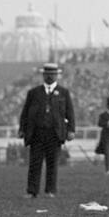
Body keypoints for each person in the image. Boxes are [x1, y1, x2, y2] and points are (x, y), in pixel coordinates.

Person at [19, 62, 76, 197]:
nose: (50, 76)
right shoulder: (33, 93)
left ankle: (50, 190)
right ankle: (32, 191)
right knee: (34, 163)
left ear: (57, 75)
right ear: (43, 75)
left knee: (52, 164)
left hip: (54, 134)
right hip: (37, 133)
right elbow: (25, 113)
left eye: (53, 74)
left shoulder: (63, 93)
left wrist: (71, 130)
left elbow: (70, 113)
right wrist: (22, 129)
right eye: (47, 74)